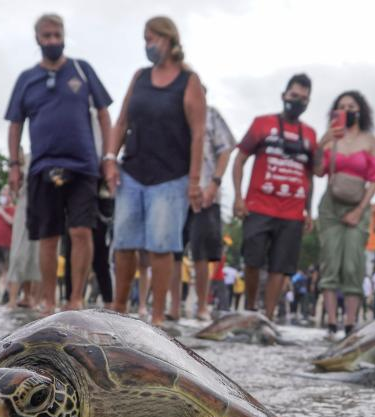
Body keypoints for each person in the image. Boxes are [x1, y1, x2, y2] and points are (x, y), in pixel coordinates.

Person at [5, 13, 113, 314]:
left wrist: (108, 158)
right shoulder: (27, 79)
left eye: (57, 35)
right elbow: (15, 124)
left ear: (64, 36)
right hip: (42, 166)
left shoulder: (81, 69)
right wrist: (14, 164)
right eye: (47, 36)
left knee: (82, 231)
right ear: (37, 39)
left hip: (83, 165)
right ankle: (49, 302)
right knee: (48, 235)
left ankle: (75, 299)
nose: (53, 41)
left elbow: (104, 113)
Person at [106, 16, 206, 326]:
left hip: (170, 177)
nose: (148, 45)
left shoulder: (188, 82)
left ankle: (158, 317)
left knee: (162, 246)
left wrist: (193, 182)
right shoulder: (140, 77)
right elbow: (121, 121)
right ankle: (119, 308)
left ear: (170, 40)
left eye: (153, 38)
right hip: (133, 170)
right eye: (145, 39)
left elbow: (199, 134)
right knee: (124, 242)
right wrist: (110, 157)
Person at [232, 74, 319, 319]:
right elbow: (239, 159)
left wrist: (309, 211)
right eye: (294, 96)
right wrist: (238, 197)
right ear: (284, 95)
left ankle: (267, 318)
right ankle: (250, 311)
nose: (298, 102)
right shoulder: (262, 123)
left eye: (304, 98)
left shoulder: (310, 134)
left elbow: (311, 175)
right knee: (252, 260)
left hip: (292, 210)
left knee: (280, 267)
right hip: (258, 205)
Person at [315, 91, 375, 338]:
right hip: (331, 205)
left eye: (351, 106)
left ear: (360, 110)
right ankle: (332, 323)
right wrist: (322, 143)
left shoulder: (370, 141)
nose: (346, 110)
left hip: (359, 204)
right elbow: (318, 171)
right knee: (330, 261)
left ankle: (350, 323)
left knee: (353, 263)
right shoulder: (332, 139)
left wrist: (359, 210)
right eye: (341, 106)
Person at [172, 94, 234, 321]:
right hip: (175, 192)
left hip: (206, 192)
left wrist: (215, 183)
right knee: (172, 250)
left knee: (201, 252)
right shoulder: (175, 113)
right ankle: (174, 307)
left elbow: (226, 148)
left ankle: (201, 306)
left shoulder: (212, 114)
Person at [5, 149, 41, 310]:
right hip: (24, 208)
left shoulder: (39, 157)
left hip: (44, 208)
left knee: (37, 255)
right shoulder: (17, 166)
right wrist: (16, 166)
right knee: (18, 253)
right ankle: (13, 298)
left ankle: (32, 298)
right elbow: (13, 193)